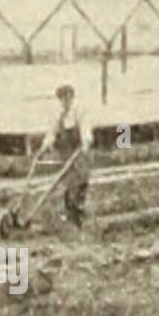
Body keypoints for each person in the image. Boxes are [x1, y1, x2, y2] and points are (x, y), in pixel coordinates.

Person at [35, 83, 93, 225]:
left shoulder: (79, 112)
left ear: (72, 98)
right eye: (62, 98)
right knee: (67, 182)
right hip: (65, 153)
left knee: (80, 181)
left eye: (68, 98)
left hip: (79, 152)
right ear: (59, 99)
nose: (65, 101)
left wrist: (86, 143)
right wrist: (44, 148)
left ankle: (78, 212)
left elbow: (86, 130)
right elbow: (51, 133)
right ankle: (69, 213)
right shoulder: (58, 115)